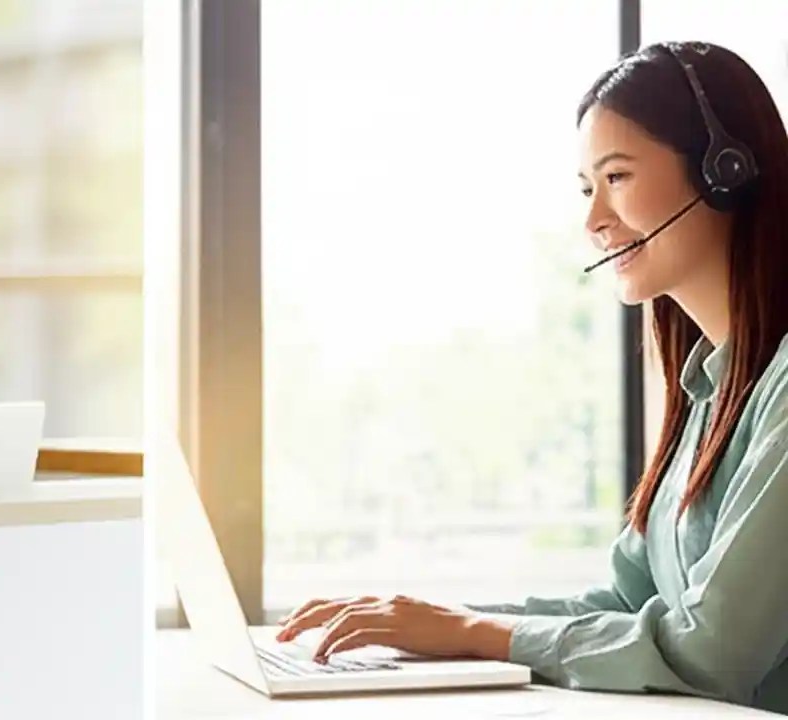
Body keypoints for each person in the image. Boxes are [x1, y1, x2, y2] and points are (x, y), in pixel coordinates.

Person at [276, 41, 788, 713]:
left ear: (725, 172)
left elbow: (712, 649)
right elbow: (622, 602)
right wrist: (428, 622)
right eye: (586, 189)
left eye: (618, 177)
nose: (594, 220)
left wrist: (472, 634)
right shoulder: (708, 391)